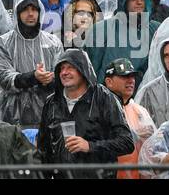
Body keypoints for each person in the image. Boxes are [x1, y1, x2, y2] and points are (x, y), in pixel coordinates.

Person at [35, 48, 134, 178]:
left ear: (82, 69)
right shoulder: (51, 102)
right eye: (61, 68)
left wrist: (90, 146)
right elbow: (44, 150)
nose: (64, 72)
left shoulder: (104, 98)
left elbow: (126, 142)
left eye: (70, 67)